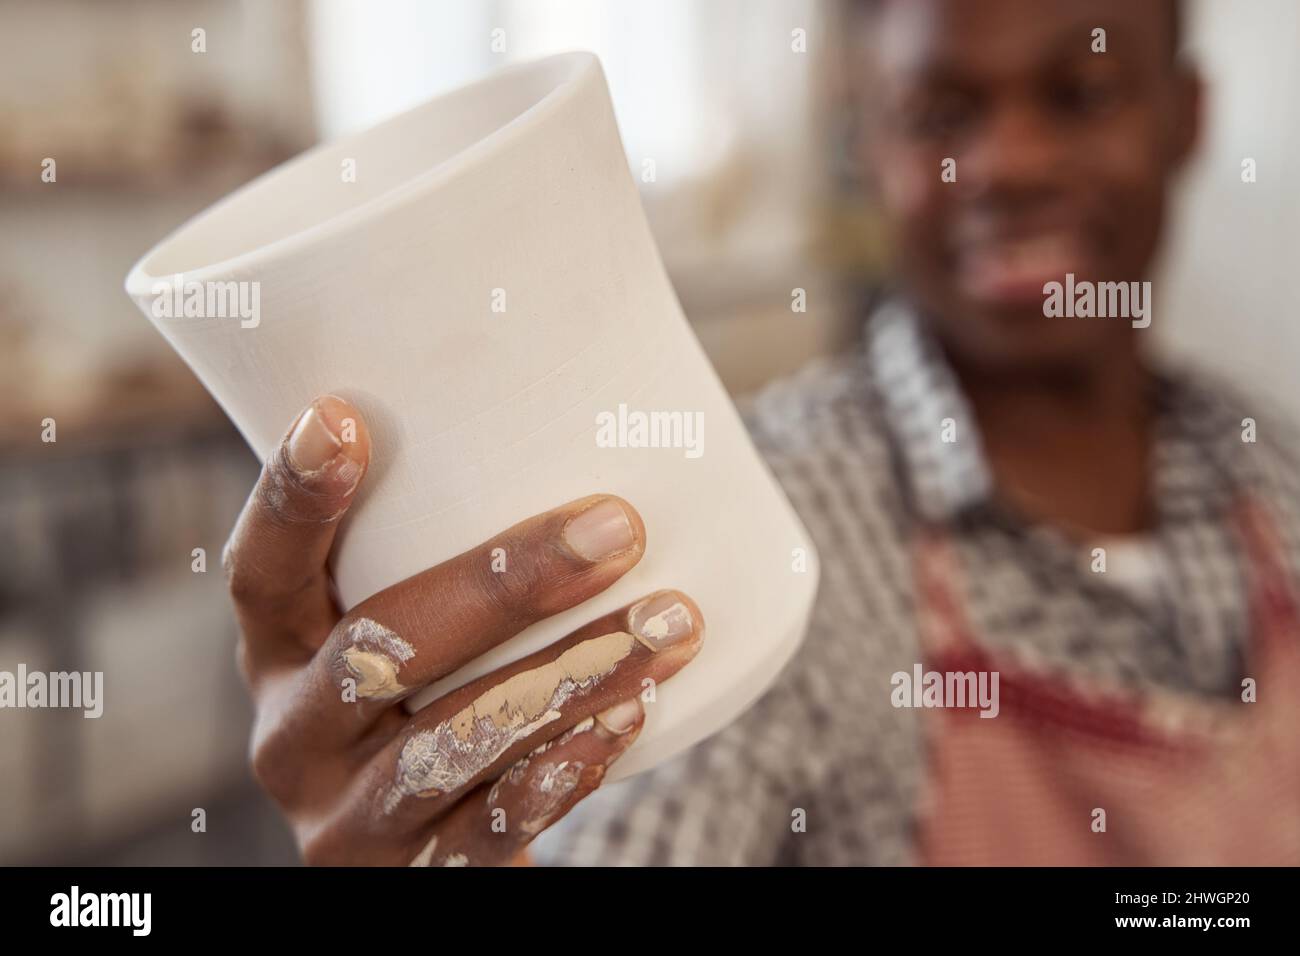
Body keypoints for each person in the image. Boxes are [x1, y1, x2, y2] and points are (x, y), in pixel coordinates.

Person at [227, 0, 1300, 866]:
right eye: (937, 113)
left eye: (1078, 94)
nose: (1006, 163)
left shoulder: (1274, 469)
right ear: (869, 148)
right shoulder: (763, 513)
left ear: (1186, 115)